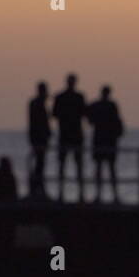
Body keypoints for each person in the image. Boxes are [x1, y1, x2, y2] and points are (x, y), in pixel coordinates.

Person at [86, 85, 124, 203]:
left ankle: (101, 195)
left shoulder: (98, 106)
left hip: (102, 140)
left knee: (102, 169)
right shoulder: (110, 106)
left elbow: (89, 119)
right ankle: (111, 195)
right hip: (107, 141)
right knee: (107, 169)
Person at [52, 73, 86, 203]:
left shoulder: (61, 97)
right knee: (73, 165)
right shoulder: (78, 97)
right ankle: (76, 194)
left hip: (68, 135)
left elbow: (54, 114)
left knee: (67, 165)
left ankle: (64, 194)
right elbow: (84, 113)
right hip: (72, 135)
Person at [27, 81, 51, 199]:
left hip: (39, 138)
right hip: (39, 139)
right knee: (39, 165)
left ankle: (38, 189)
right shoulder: (37, 104)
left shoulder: (36, 103)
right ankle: (37, 189)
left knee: (39, 164)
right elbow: (38, 123)